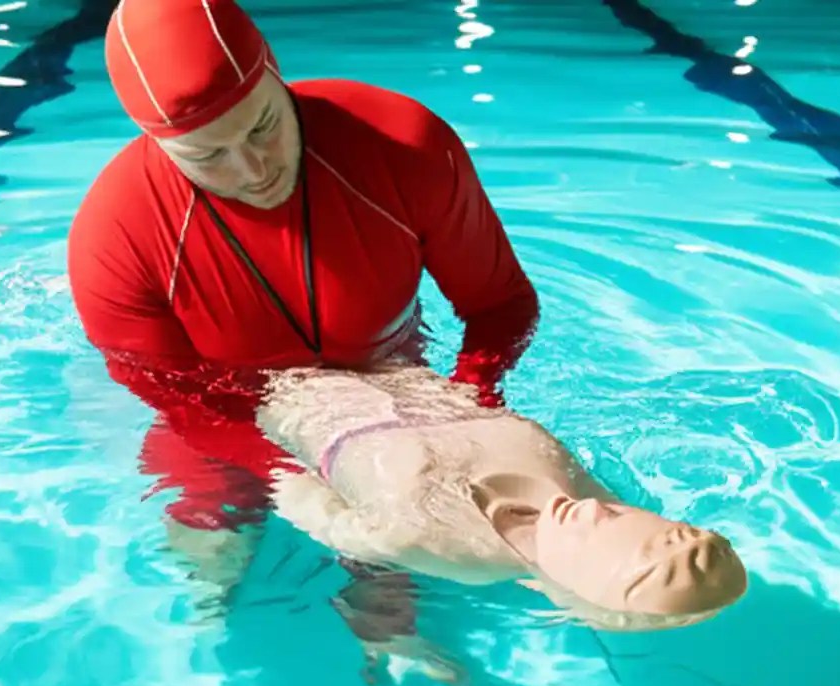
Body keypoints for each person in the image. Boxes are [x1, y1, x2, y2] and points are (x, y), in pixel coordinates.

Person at [65, 0, 539, 647]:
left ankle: (389, 622)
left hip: (390, 375)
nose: (253, 171)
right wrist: (294, 480)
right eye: (209, 156)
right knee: (209, 553)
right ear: (161, 146)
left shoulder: (402, 146)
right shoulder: (116, 236)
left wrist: (471, 400)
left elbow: (501, 306)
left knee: (418, 535)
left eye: (262, 127)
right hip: (231, 406)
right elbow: (174, 393)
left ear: (276, 73)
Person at [256, 361, 748, 643]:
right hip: (372, 362)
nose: (596, 508)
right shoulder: (582, 492)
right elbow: (294, 493)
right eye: (615, 512)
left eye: (600, 525)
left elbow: (293, 491)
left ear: (559, 590)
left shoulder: (432, 541)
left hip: (292, 378)